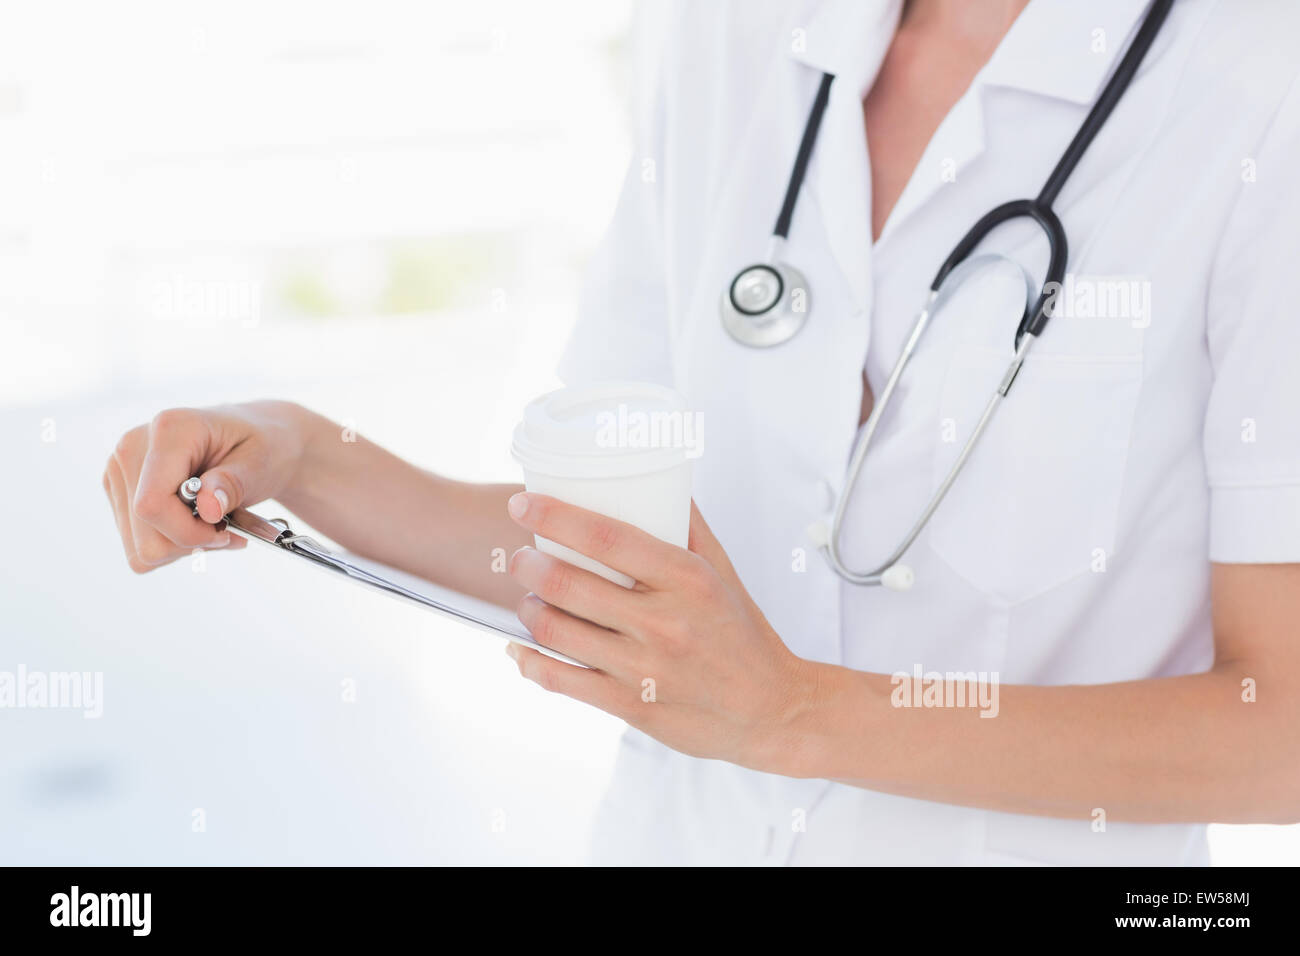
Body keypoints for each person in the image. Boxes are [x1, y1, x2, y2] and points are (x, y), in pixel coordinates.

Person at [103, 0, 1300, 865]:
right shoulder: (735, 33)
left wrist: (796, 714)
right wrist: (304, 450)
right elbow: (599, 547)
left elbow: (1279, 733)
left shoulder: (1258, 90)